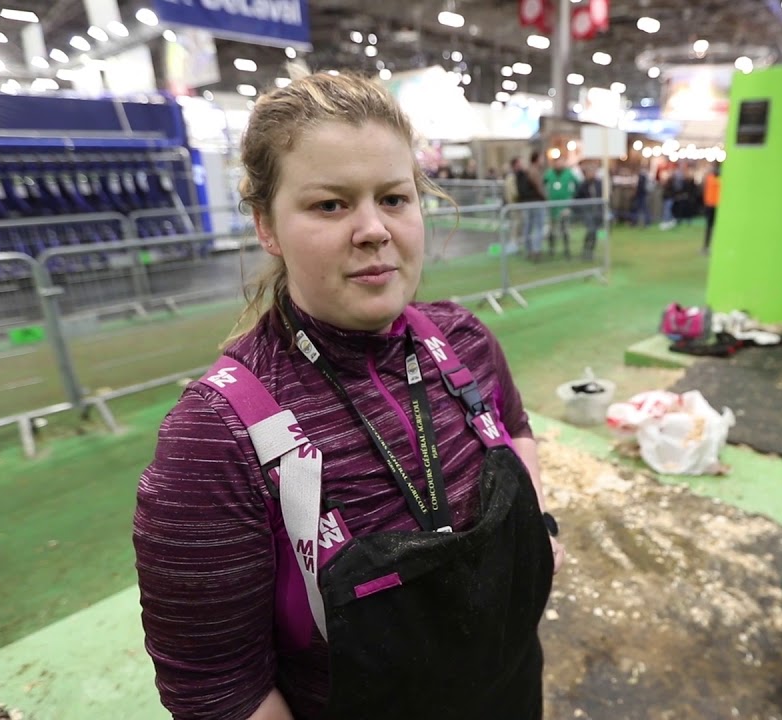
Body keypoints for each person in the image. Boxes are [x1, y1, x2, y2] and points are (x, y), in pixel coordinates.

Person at [133, 71, 564, 720]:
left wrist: (536, 528)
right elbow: (220, 694)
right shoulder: (218, 440)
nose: (373, 229)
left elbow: (515, 429)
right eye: (331, 205)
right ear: (267, 227)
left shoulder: (466, 343)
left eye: (393, 198)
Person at [543, 155, 578, 259]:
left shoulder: (569, 173)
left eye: (561, 162)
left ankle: (566, 250)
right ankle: (551, 249)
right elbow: (542, 183)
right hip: (552, 206)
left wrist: (572, 197)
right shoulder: (549, 173)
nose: (559, 164)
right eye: (557, 162)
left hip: (565, 206)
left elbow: (578, 184)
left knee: (565, 229)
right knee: (552, 230)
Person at [515, 151, 547, 262]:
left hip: (527, 203)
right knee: (537, 227)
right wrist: (545, 198)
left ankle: (529, 249)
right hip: (535, 202)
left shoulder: (527, 171)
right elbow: (539, 187)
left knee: (528, 227)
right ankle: (536, 250)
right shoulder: (533, 171)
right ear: (537, 159)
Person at [573, 162, 604, 262]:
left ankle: (591, 250)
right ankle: (586, 250)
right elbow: (576, 199)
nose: (592, 173)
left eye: (594, 171)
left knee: (594, 232)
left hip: (597, 212)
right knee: (590, 230)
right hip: (587, 213)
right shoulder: (583, 185)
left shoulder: (599, 184)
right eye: (590, 172)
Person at [702, 164, 721, 254]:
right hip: (713, 205)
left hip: (713, 205)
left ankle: (708, 246)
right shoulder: (713, 179)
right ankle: (707, 246)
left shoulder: (711, 179)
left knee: (711, 227)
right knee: (710, 227)